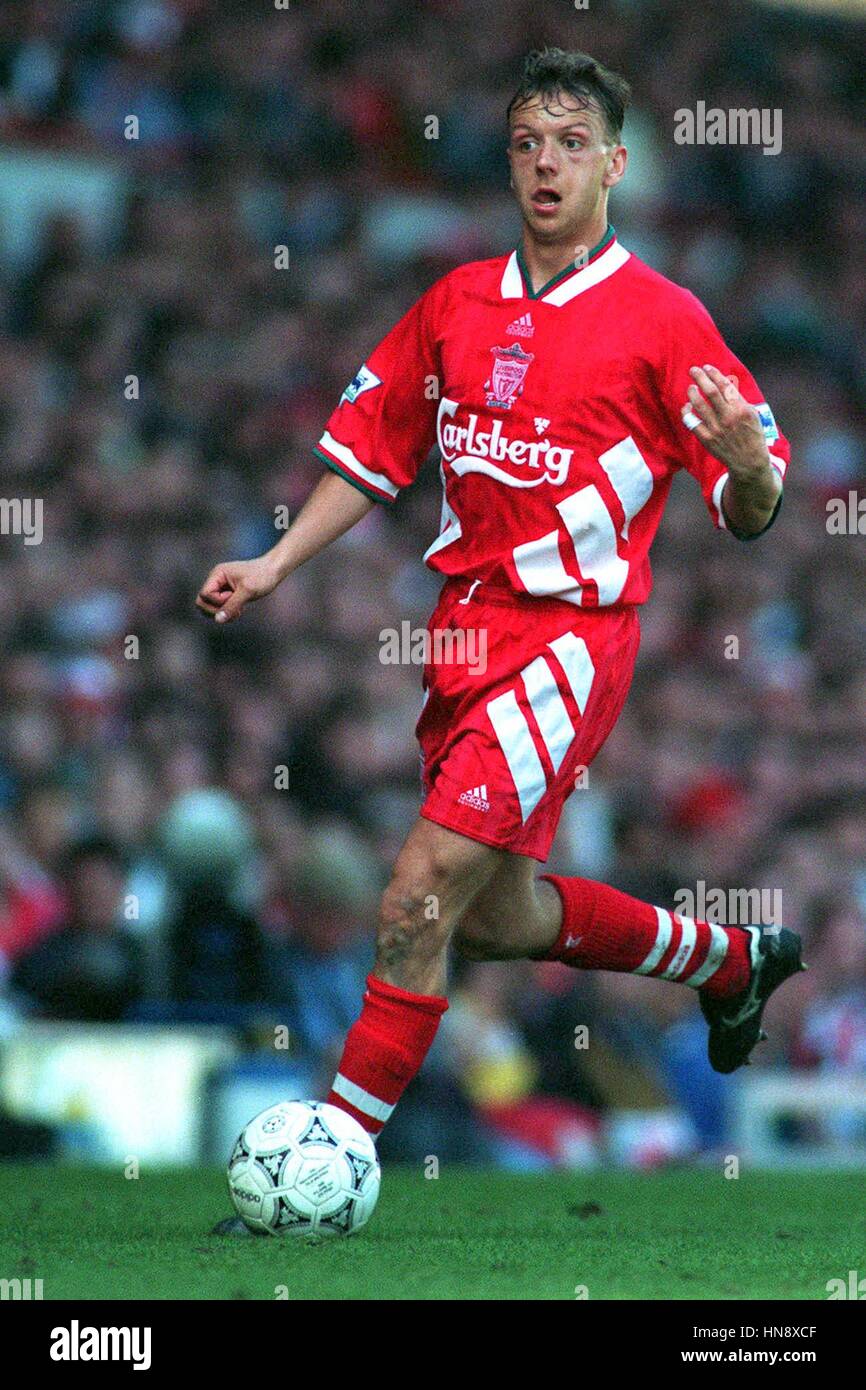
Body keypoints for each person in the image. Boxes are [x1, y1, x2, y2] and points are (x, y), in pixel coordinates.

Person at [196, 48, 804, 1141]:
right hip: (461, 636)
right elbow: (369, 454)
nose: (545, 163)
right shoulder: (455, 303)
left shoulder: (663, 319)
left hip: (568, 642)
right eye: (527, 141)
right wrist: (278, 562)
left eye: (572, 144)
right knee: (488, 918)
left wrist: (748, 467)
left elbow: (752, 502)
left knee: (417, 888)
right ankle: (725, 959)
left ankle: (334, 1151)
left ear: (614, 165)